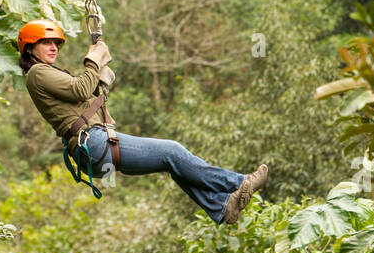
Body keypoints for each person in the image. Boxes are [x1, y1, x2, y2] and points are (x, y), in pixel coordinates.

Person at [17, 20, 268, 226]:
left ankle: (223, 207)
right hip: (92, 143)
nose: (53, 47)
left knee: (171, 162)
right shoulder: (38, 73)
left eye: (55, 43)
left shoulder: (47, 73)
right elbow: (79, 89)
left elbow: (82, 97)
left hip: (93, 146)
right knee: (172, 150)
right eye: (45, 42)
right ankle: (237, 183)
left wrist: (99, 81)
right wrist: (92, 61)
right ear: (30, 48)